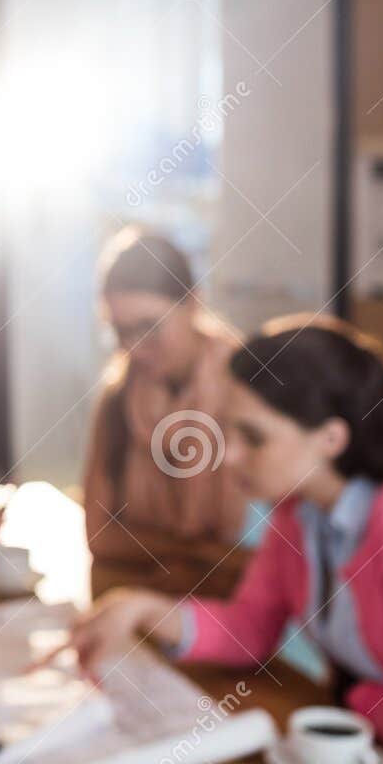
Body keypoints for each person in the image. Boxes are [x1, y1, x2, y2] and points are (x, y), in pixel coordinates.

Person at [65, 315, 383, 764]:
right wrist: (142, 608)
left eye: (254, 437)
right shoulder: (298, 510)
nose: (226, 456)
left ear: (330, 438)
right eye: (228, 431)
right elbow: (250, 628)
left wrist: (356, 696)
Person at [82, 227, 248, 572]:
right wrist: (198, 553)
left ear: (193, 302)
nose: (135, 347)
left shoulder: (250, 388)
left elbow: (269, 559)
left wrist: (155, 548)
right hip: (146, 601)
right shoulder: (118, 397)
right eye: (120, 330)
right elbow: (99, 535)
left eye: (149, 326)